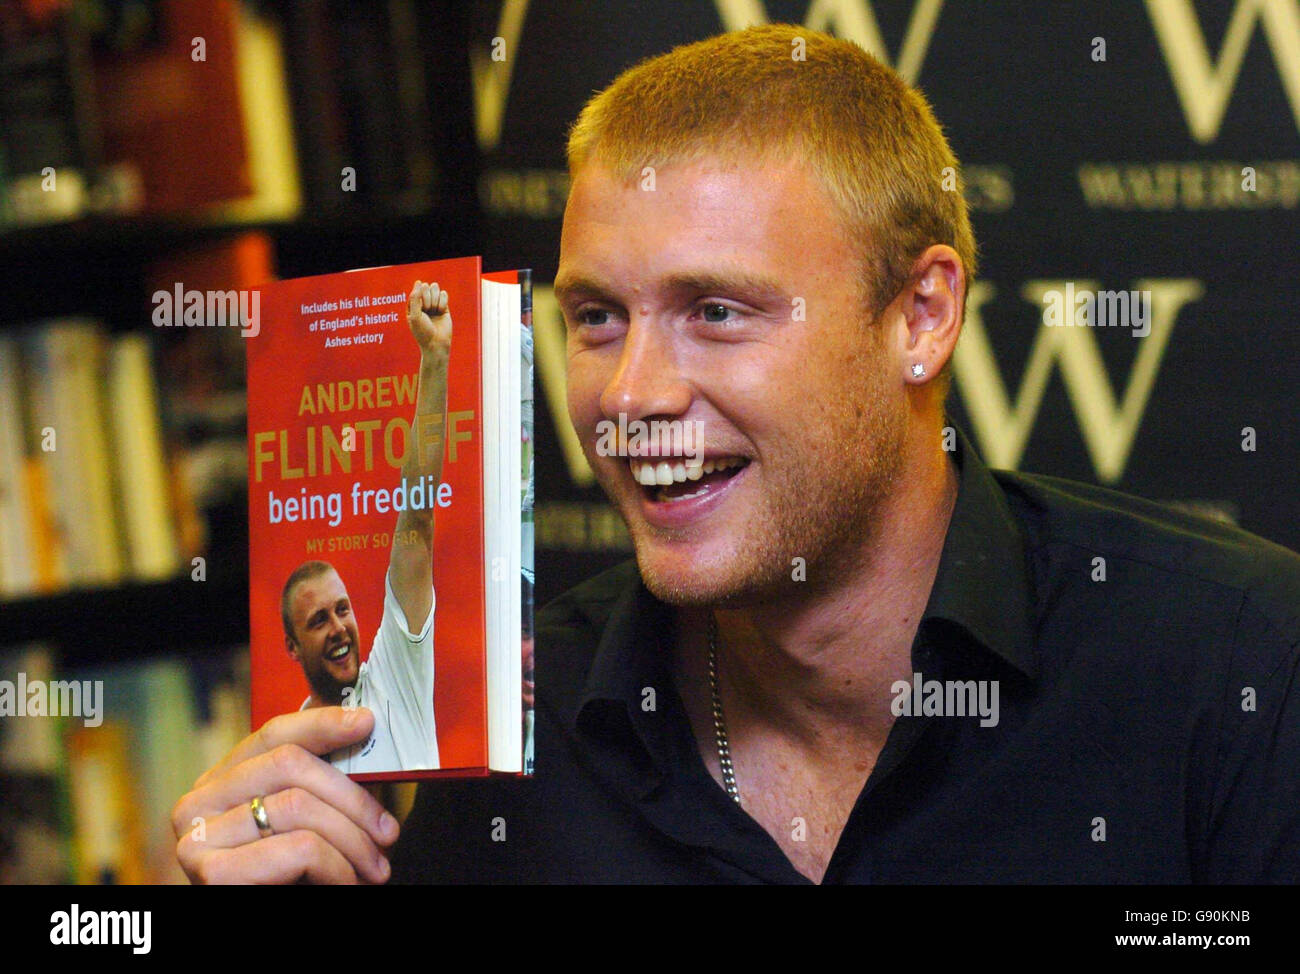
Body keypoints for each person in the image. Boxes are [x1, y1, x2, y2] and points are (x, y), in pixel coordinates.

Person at [173, 25, 1300, 885]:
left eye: (716, 310)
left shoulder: (1234, 663)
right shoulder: (527, 728)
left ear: (920, 315)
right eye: (597, 316)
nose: (631, 395)